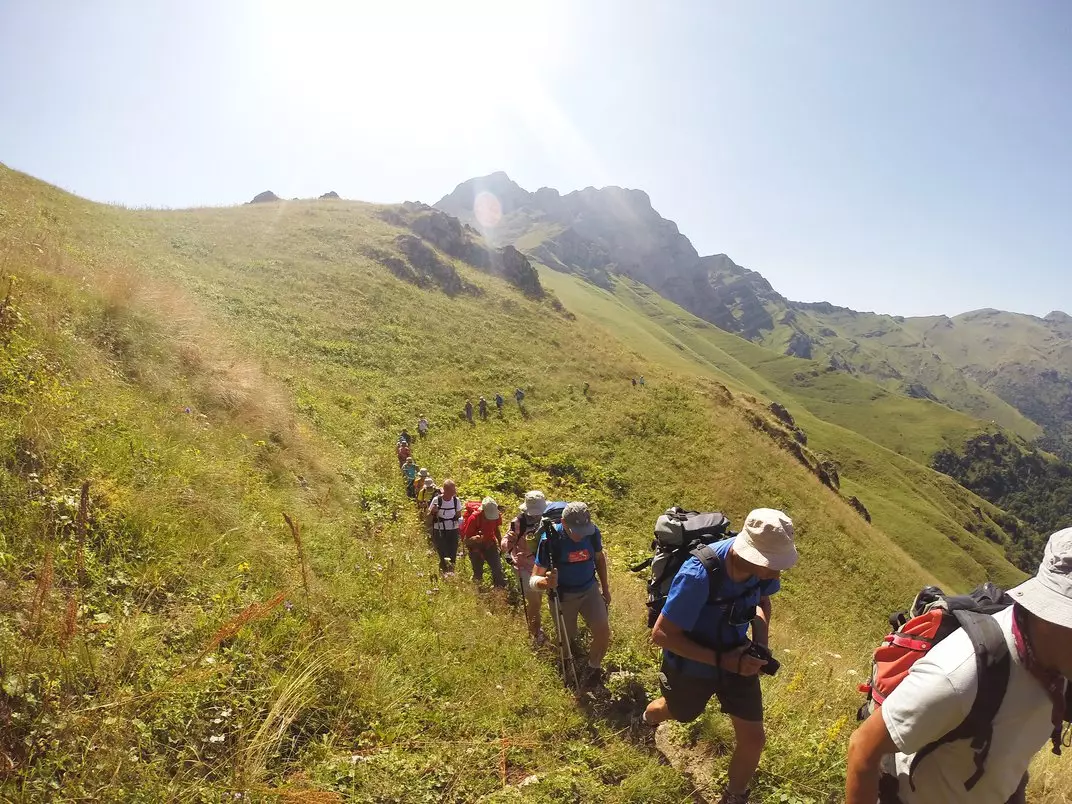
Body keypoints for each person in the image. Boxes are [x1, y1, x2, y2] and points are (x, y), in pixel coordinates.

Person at [846, 528, 1072, 804]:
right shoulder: (960, 674)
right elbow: (863, 748)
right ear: (1047, 615)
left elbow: (1010, 751)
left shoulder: (1055, 667)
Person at [639, 508, 798, 804]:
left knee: (754, 739)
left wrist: (759, 644)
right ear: (747, 552)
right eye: (770, 565)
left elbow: (762, 601)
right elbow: (661, 635)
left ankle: (734, 796)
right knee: (680, 713)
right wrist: (723, 660)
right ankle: (648, 718)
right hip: (691, 665)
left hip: (739, 659)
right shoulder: (698, 575)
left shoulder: (759, 568)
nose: (776, 573)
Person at [531, 502, 611, 686]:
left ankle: (593, 669)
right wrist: (545, 582)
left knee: (603, 632)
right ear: (563, 523)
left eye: (584, 529)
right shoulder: (549, 540)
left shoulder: (592, 533)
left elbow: (599, 559)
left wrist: (605, 588)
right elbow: (534, 578)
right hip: (564, 595)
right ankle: (565, 666)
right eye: (576, 530)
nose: (581, 534)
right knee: (568, 637)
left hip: (590, 589)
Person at [503, 491, 551, 645]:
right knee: (534, 602)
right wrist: (508, 546)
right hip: (523, 566)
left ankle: (536, 627)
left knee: (538, 599)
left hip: (541, 566)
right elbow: (505, 542)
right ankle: (535, 633)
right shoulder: (518, 522)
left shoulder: (547, 519)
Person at [461, 496, 507, 589]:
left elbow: (496, 529)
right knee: (478, 572)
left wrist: (500, 542)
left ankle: (499, 591)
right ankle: (478, 593)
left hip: (490, 544)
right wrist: (475, 539)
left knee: (497, 568)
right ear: (483, 511)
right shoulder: (474, 518)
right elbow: (466, 540)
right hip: (475, 548)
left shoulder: (496, 516)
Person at [428, 479, 464, 575]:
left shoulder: (456, 501)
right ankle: (444, 572)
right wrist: (433, 511)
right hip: (439, 529)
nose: (454, 492)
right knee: (442, 551)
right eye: (452, 490)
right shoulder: (437, 500)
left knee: (453, 551)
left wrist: (455, 518)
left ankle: (451, 571)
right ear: (446, 490)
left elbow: (459, 514)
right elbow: (429, 516)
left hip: (453, 529)